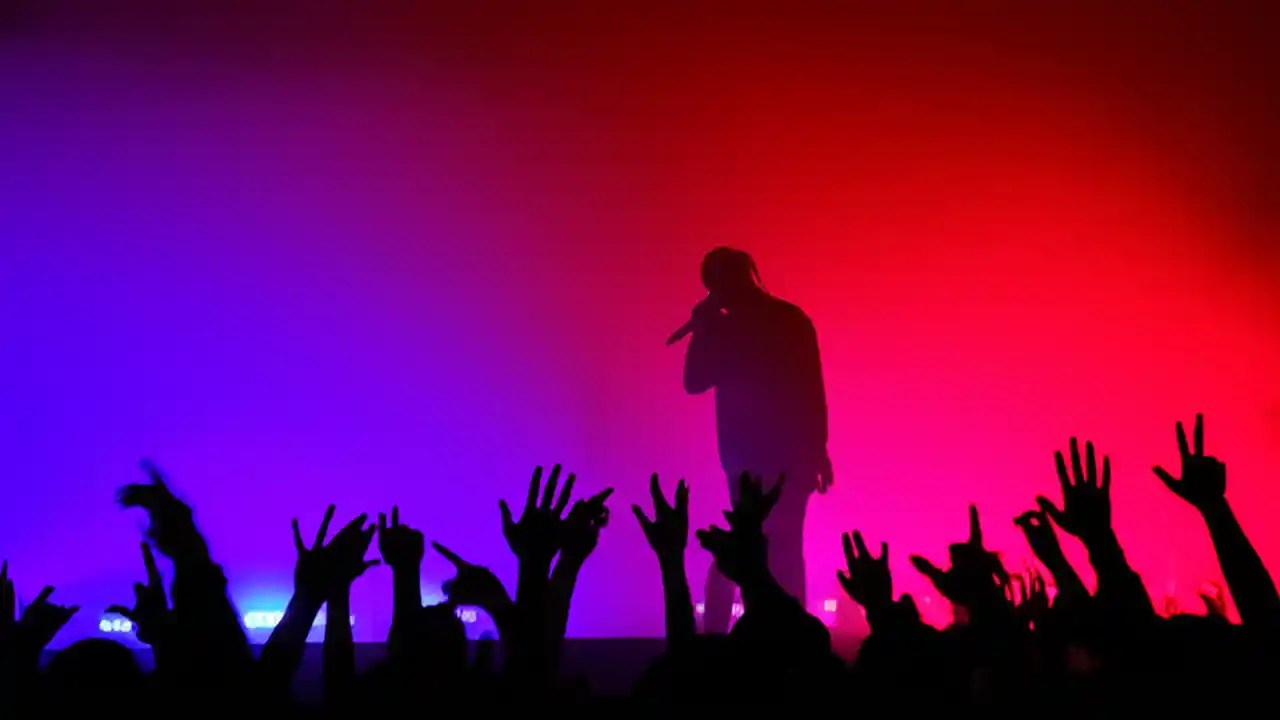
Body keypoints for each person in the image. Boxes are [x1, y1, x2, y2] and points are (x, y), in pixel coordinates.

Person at [677, 247, 833, 632]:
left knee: (749, 542)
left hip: (748, 455)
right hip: (784, 452)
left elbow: (693, 381)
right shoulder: (790, 319)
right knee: (783, 545)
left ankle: (726, 634)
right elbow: (812, 390)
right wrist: (817, 450)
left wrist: (704, 328)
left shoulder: (729, 328)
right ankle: (789, 632)